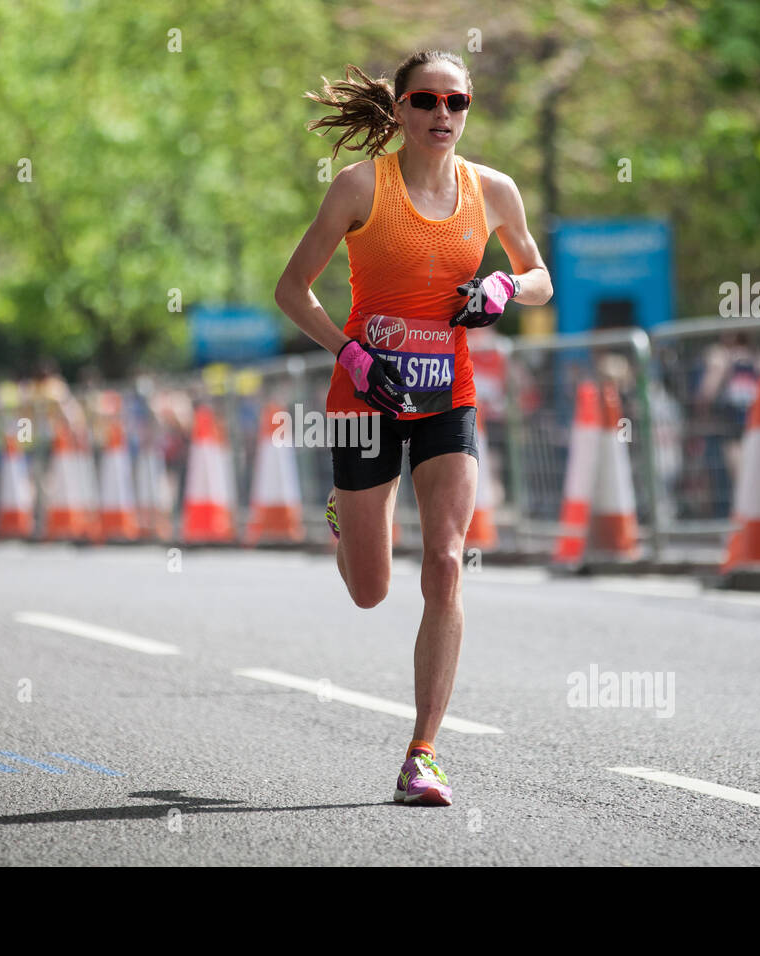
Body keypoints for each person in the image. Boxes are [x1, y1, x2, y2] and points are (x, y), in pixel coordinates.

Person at [274, 51, 552, 806]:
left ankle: (422, 753)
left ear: (467, 111)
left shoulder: (491, 191)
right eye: (426, 100)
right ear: (399, 109)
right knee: (370, 589)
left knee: (447, 563)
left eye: (455, 102)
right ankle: (349, 512)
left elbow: (539, 276)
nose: (442, 114)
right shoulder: (362, 186)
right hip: (366, 396)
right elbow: (291, 289)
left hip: (447, 401)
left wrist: (503, 283)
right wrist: (351, 353)